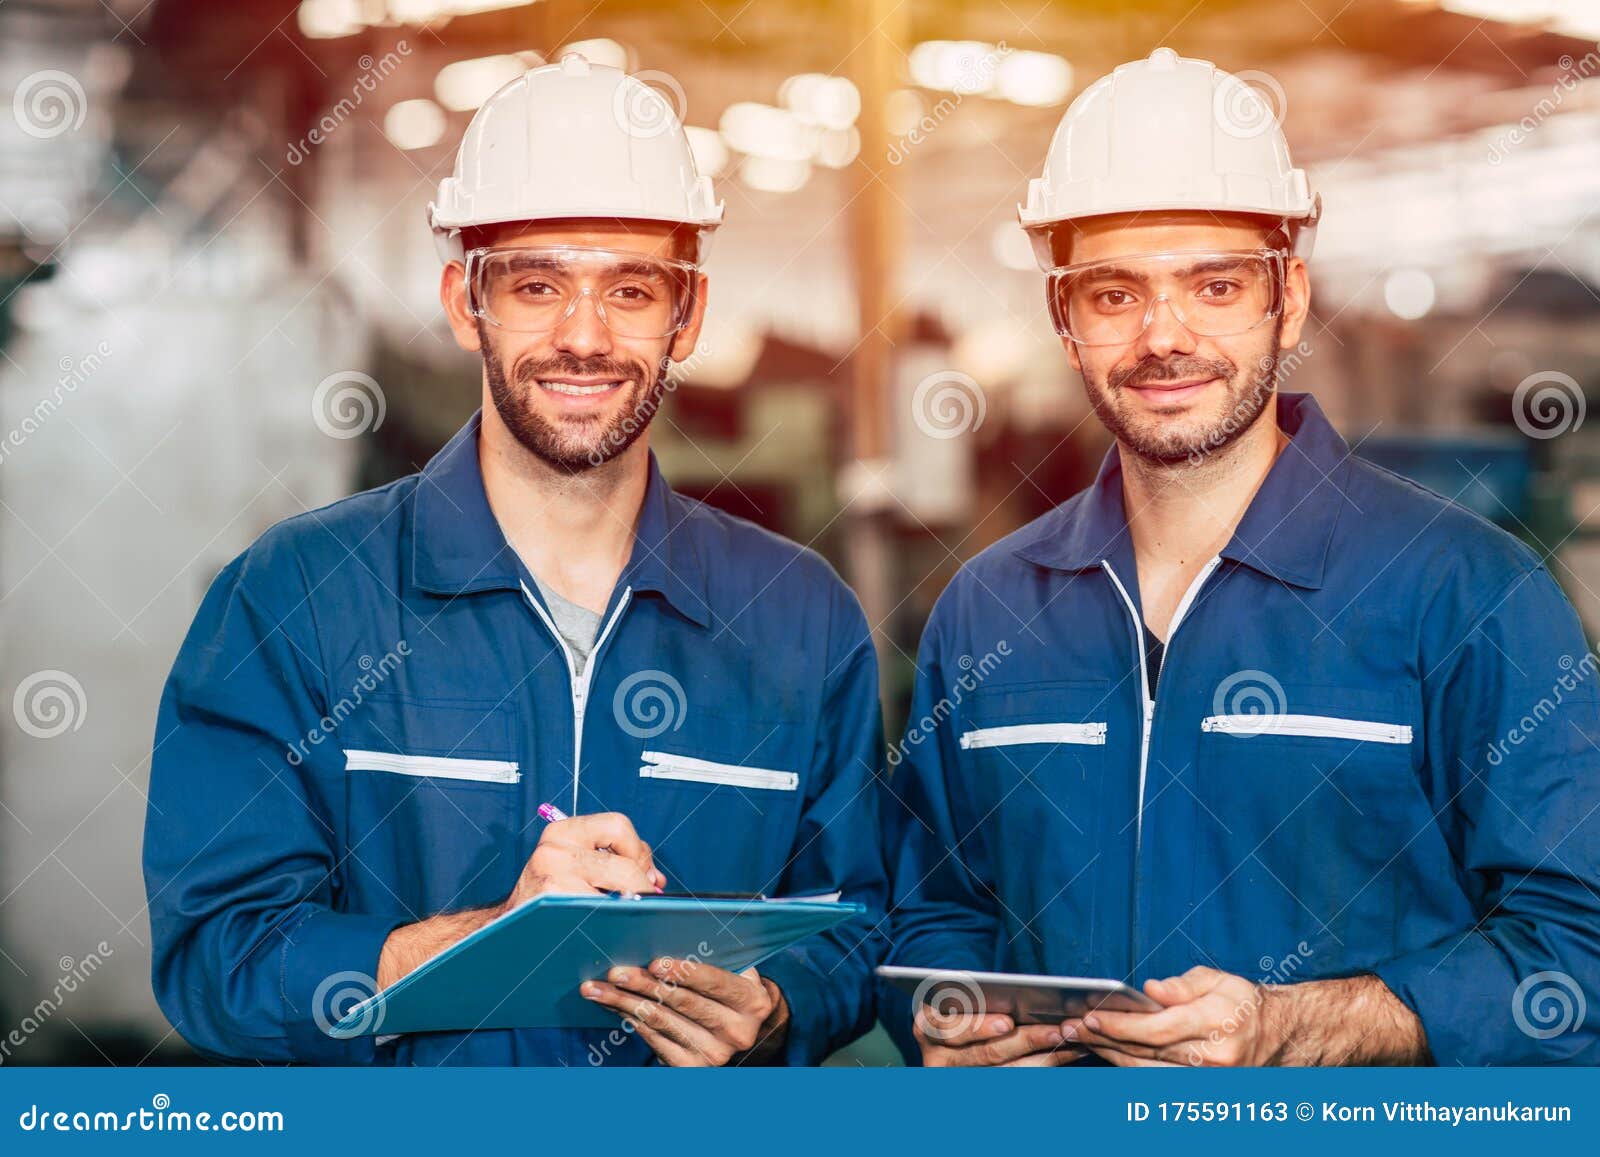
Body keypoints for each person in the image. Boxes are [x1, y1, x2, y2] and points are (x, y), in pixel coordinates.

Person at [144, 55, 886, 1067]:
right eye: (538, 285)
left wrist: (776, 1004)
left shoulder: (798, 616)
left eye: (630, 289)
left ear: (689, 315)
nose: (583, 336)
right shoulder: (295, 598)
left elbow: (852, 921)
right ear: (466, 302)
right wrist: (476, 943)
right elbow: (216, 957)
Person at [883, 47, 1600, 1067]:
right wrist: (952, 1023)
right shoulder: (989, 610)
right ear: (1063, 317)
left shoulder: (1469, 593)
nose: (1163, 336)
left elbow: (1575, 954)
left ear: (1288, 300)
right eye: (1113, 293)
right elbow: (937, 908)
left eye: (1214, 286)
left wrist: (1302, 1026)